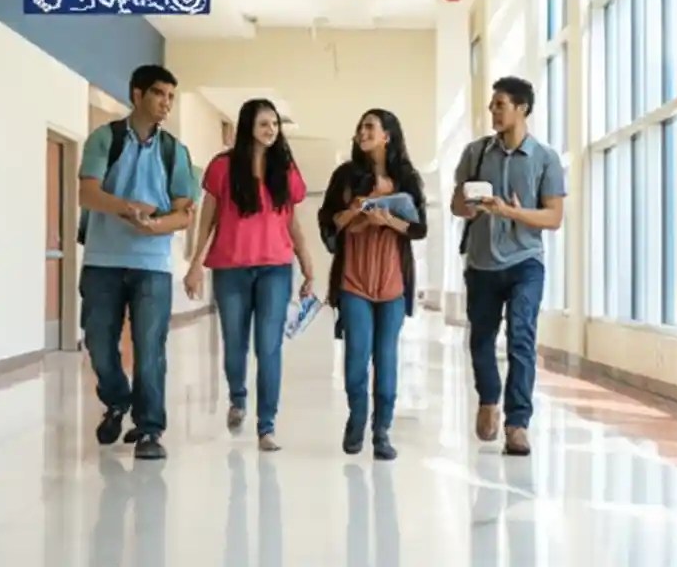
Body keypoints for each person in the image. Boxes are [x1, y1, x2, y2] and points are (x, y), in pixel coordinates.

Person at [78, 64, 197, 460]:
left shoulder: (174, 152)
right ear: (137, 94)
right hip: (102, 260)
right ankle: (116, 400)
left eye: (171, 97)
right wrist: (128, 208)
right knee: (98, 342)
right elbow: (88, 194)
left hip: (152, 264)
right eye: (159, 94)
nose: (166, 103)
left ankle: (149, 430)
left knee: (150, 348)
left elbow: (185, 212)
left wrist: (158, 225)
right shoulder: (104, 139)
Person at [184, 98, 314, 452]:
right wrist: (195, 264)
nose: (270, 130)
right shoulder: (222, 167)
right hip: (230, 269)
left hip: (275, 268)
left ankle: (267, 426)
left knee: (269, 347)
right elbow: (207, 219)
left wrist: (308, 265)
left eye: (274, 124)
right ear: (247, 128)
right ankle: (238, 398)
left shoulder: (284, 169)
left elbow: (292, 222)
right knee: (235, 343)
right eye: (263, 124)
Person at [452, 76, 566, 457]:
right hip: (482, 263)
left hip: (525, 263)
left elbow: (553, 218)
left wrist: (510, 211)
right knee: (481, 340)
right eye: (492, 104)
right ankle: (488, 398)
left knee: (522, 338)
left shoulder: (546, 159)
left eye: (500, 104)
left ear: (522, 108)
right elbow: (456, 205)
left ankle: (518, 423)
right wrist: (470, 206)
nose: (493, 111)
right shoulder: (475, 153)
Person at [318, 109, 428, 461]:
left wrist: (389, 220)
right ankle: (357, 417)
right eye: (360, 126)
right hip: (354, 281)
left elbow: (419, 228)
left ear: (387, 136)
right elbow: (329, 222)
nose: (362, 132)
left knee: (386, 357)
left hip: (393, 283)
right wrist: (356, 214)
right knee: (355, 359)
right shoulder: (346, 177)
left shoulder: (407, 179)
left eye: (370, 127)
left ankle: (382, 431)